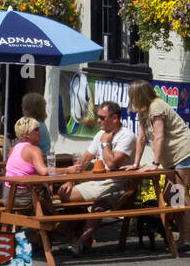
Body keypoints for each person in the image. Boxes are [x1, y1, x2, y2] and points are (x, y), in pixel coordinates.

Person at [58, 100, 138, 254]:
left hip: (120, 184)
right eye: (98, 116)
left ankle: (79, 243)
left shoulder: (126, 136)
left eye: (102, 117)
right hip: (97, 183)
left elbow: (113, 163)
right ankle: (75, 237)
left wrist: (105, 144)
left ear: (114, 118)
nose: (98, 120)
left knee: (98, 206)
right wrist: (70, 180)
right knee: (65, 194)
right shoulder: (100, 134)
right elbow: (85, 158)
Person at [129, 78, 190, 249]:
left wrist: (154, 163)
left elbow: (159, 136)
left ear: (139, 95)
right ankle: (176, 235)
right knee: (169, 196)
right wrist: (135, 163)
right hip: (170, 156)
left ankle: (185, 239)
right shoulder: (143, 112)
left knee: (180, 193)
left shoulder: (156, 107)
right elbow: (141, 138)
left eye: (132, 95)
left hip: (183, 150)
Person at [3, 115, 46, 213]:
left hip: (8, 197)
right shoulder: (34, 150)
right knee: (45, 191)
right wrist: (67, 170)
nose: (40, 131)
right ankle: (51, 223)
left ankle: (15, 227)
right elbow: (44, 171)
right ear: (27, 134)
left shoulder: (14, 149)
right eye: (36, 129)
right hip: (26, 198)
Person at [21, 92, 51, 157]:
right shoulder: (41, 124)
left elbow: (25, 146)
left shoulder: (34, 126)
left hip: (37, 159)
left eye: (23, 105)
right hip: (43, 157)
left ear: (28, 109)